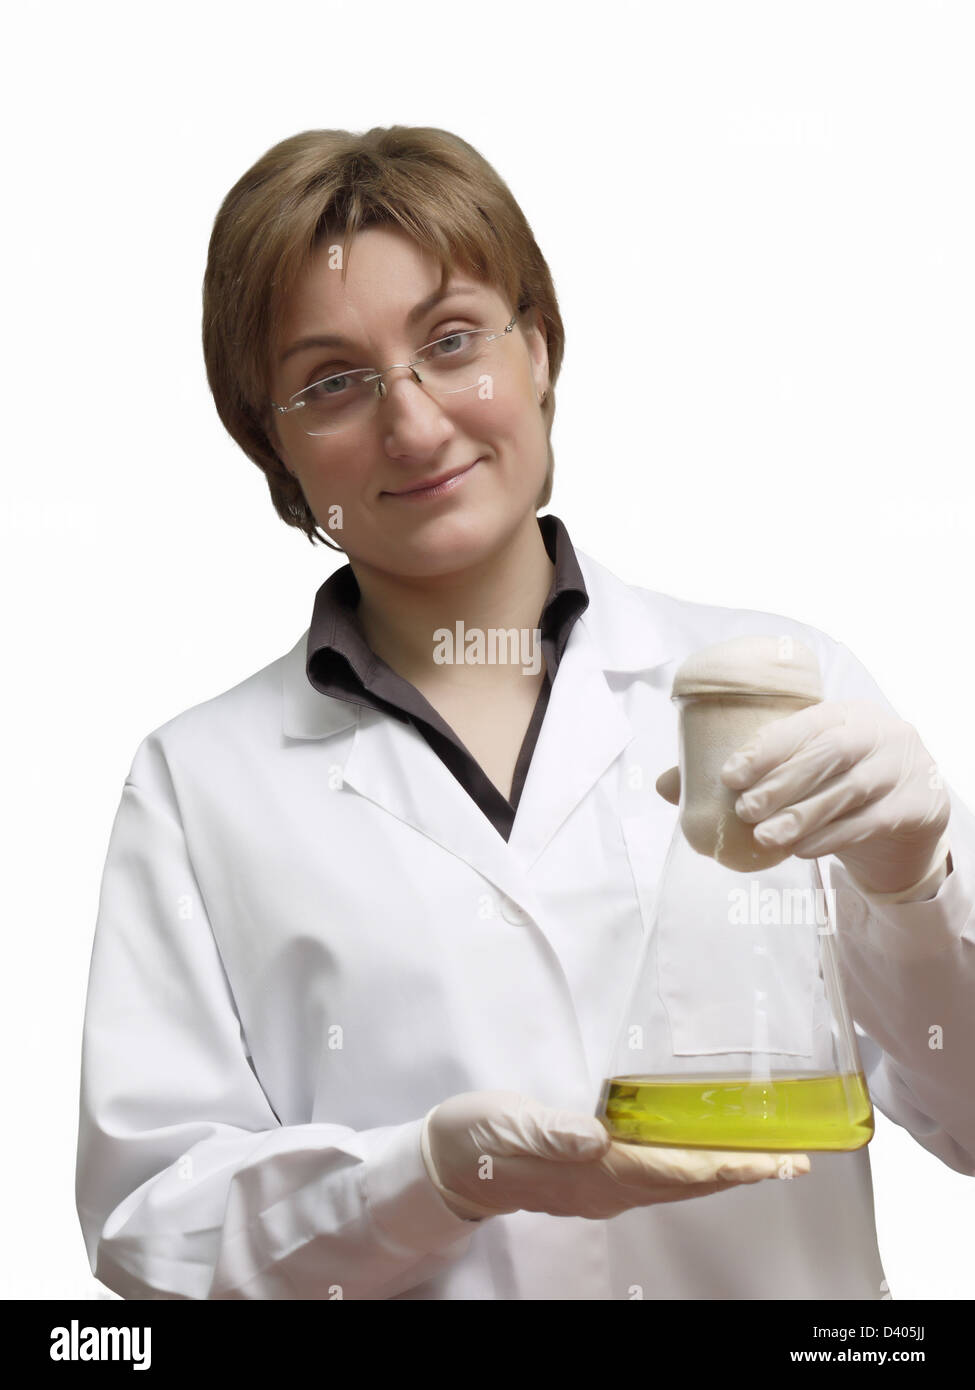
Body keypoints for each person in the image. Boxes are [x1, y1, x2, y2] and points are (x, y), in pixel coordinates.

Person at [75, 125, 975, 1301]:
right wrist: (429, 1175)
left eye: (454, 342)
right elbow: (150, 1227)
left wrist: (914, 888)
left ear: (539, 350)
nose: (413, 422)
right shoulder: (199, 785)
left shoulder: (781, 682)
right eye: (332, 381)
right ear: (277, 450)